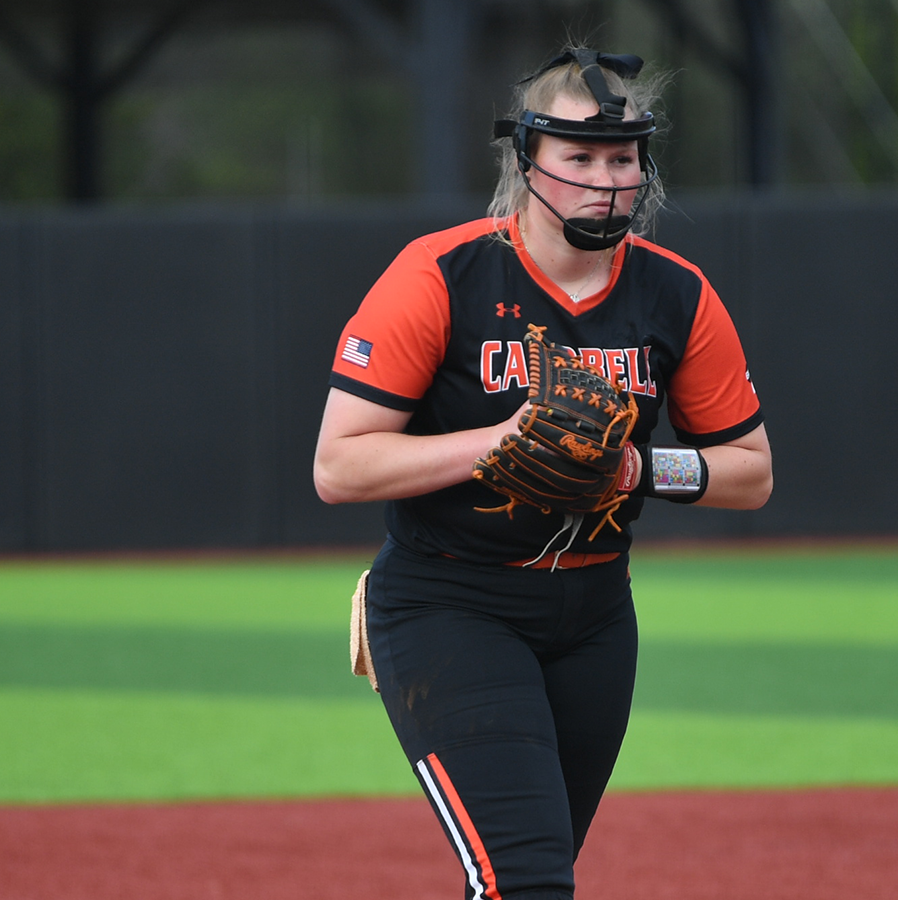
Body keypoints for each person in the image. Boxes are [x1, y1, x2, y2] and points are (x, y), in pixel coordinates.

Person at [314, 48, 772, 899]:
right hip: (449, 600)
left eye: (623, 158)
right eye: (580, 157)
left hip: (596, 615)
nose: (606, 180)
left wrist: (636, 465)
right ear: (526, 160)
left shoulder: (677, 294)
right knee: (525, 879)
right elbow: (339, 465)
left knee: (525, 871)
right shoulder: (442, 275)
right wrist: (499, 442)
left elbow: (749, 473)